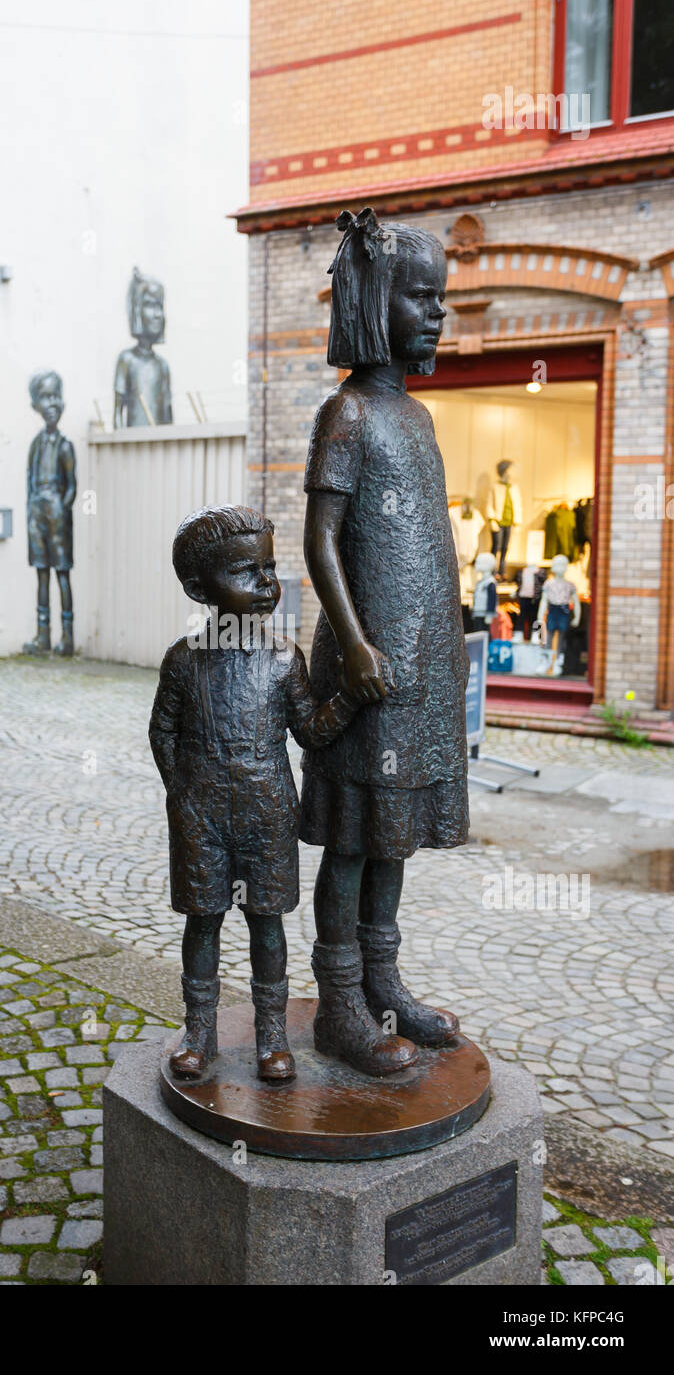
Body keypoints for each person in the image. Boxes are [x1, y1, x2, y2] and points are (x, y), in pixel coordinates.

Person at [149, 504, 416, 1084]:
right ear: (199, 588)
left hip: (267, 812)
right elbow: (162, 732)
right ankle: (199, 1031)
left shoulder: (282, 658)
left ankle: (272, 1033)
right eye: (247, 572)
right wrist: (182, 798)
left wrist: (348, 697)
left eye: (269, 567)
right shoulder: (182, 661)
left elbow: (310, 730)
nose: (266, 583)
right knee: (204, 921)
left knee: (267, 924)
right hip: (202, 819)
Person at [300, 209, 469, 1075]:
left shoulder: (421, 420)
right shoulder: (348, 414)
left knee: (392, 836)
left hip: (422, 662)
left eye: (441, 298)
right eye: (420, 297)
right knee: (354, 837)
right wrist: (358, 645)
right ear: (374, 302)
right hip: (368, 664)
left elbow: (426, 540)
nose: (437, 312)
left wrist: (452, 633)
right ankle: (338, 1005)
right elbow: (320, 541)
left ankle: (383, 981)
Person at [24, 370, 77, 657]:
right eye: (45, 397)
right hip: (37, 514)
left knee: (62, 574)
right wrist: (34, 512)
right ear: (35, 405)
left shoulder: (65, 445)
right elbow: (30, 481)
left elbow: (72, 486)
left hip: (57, 515)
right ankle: (42, 634)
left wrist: (60, 507)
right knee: (41, 574)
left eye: (56, 396)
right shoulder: (35, 444)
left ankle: (67, 637)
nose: (52, 403)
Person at [113, 268, 173, 427]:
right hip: (134, 445)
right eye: (150, 306)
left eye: (159, 307)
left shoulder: (162, 366)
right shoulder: (127, 360)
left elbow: (168, 415)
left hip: (158, 447)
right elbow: (117, 413)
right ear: (138, 309)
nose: (157, 315)